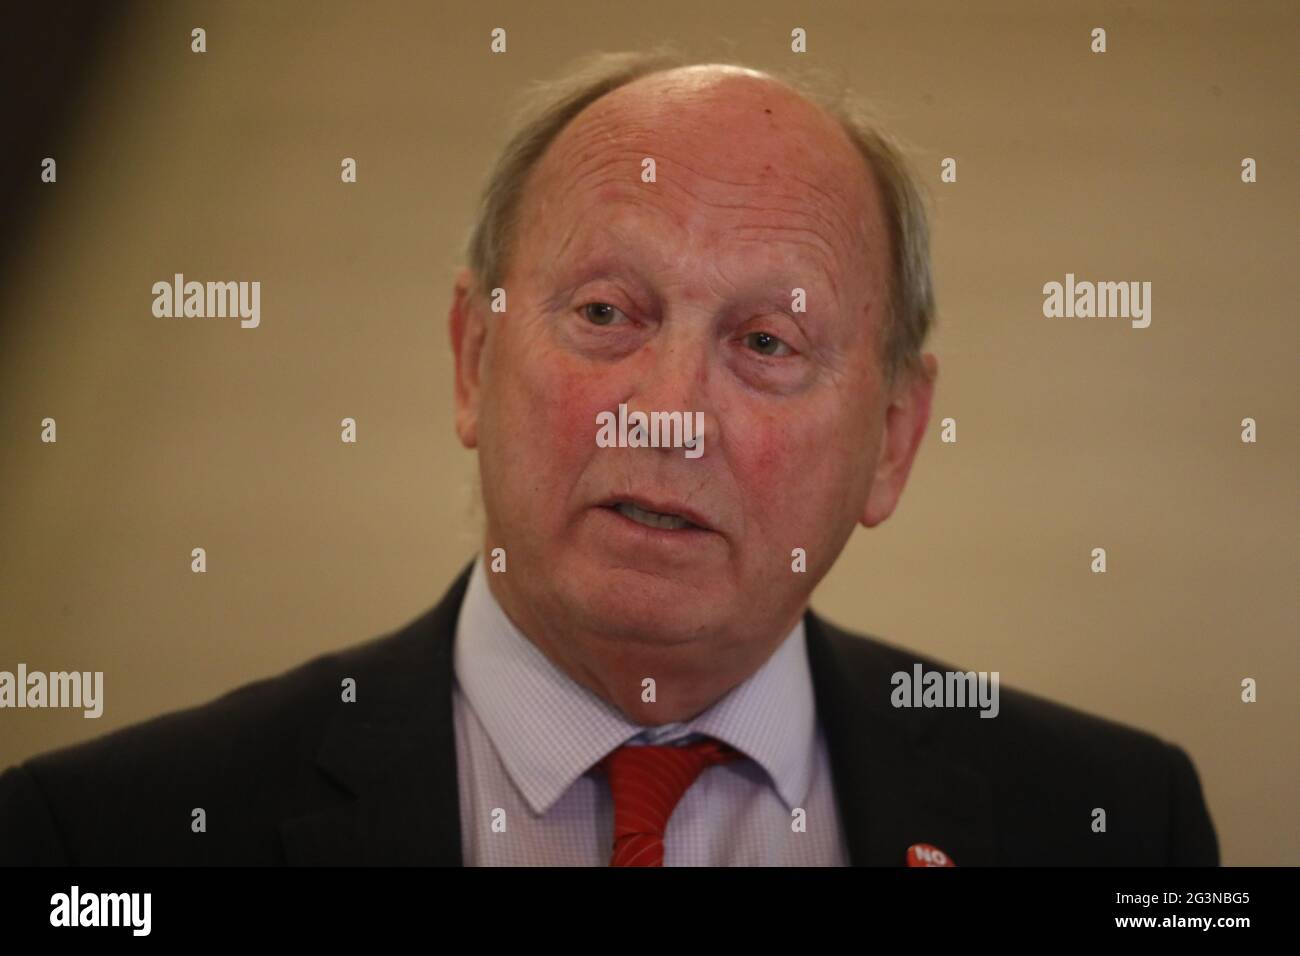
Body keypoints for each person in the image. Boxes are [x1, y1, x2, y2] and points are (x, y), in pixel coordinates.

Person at [0, 53, 1218, 866]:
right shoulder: (102, 841)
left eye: (765, 340)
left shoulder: (1111, 825)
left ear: (892, 438)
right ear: (474, 357)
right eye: (604, 315)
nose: (668, 414)